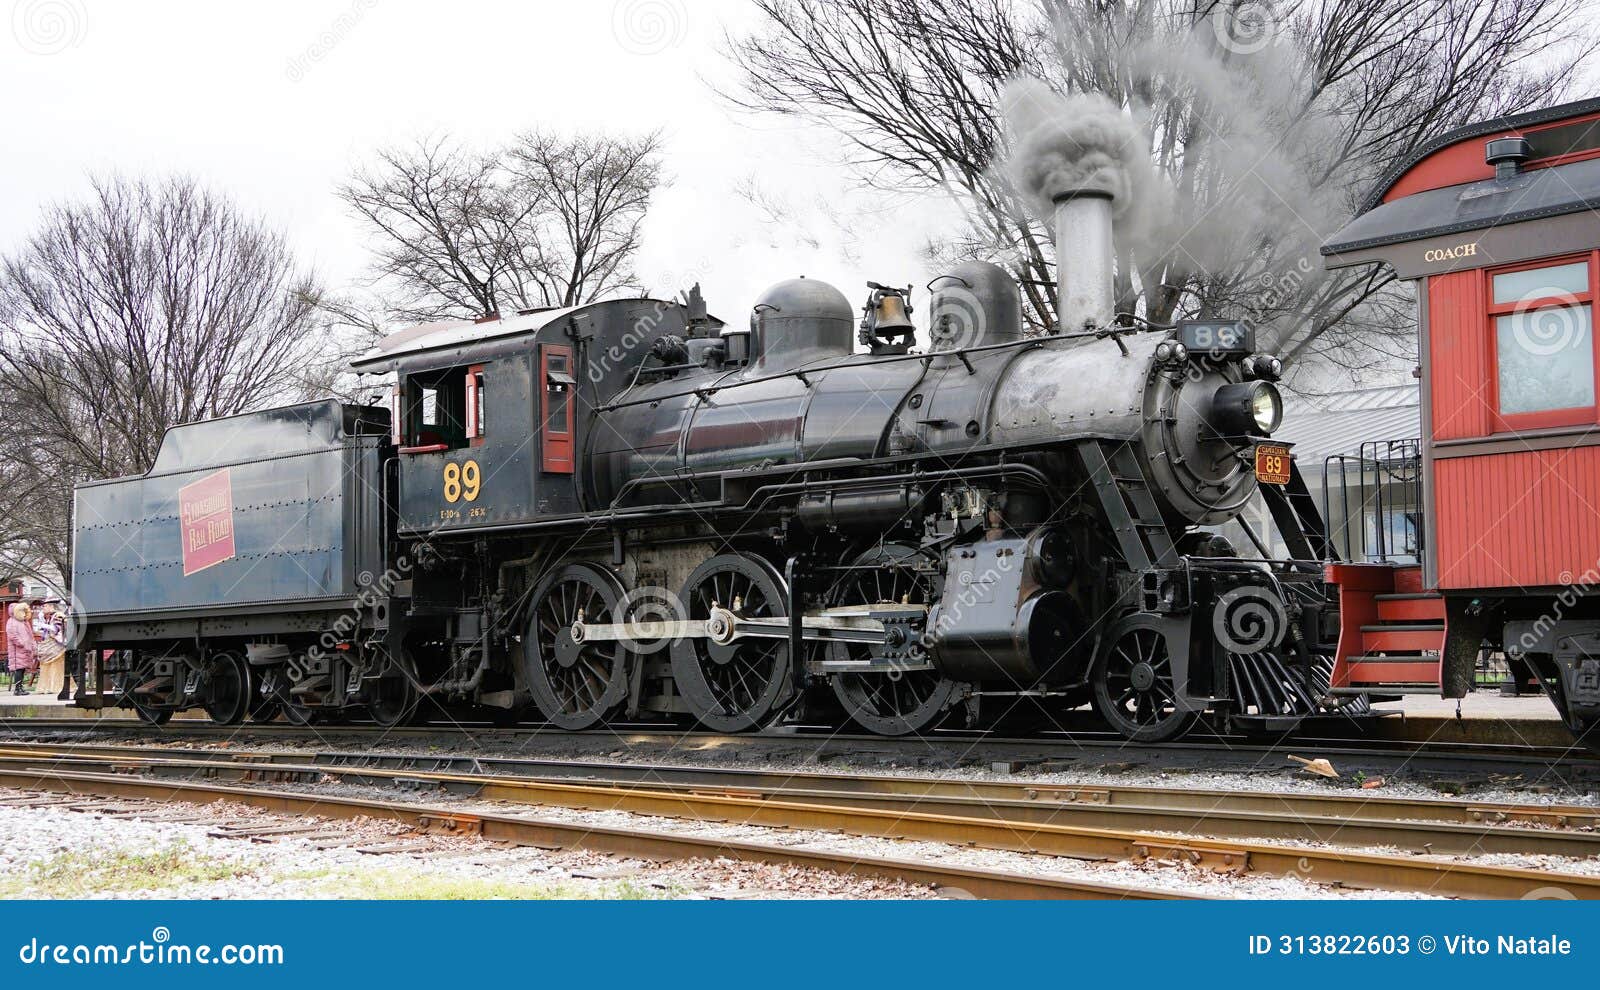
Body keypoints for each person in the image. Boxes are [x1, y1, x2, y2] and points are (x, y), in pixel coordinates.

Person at [6, 603, 36, 696]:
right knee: (18, 668)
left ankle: (20, 687)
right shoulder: (11, 622)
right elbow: (12, 636)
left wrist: (31, 645)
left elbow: (30, 635)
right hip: (17, 649)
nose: (24, 613)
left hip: (25, 649)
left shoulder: (24, 622)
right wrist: (22, 644)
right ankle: (17, 689)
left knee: (22, 668)